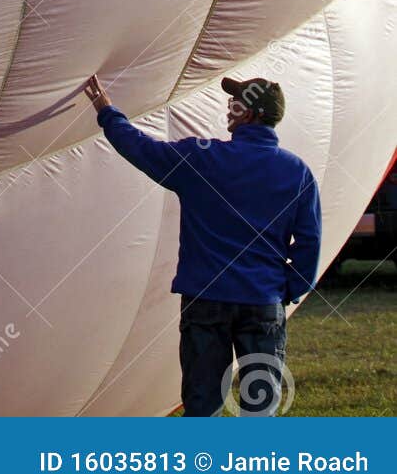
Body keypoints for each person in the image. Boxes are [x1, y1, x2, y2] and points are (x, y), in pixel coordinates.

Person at [83, 73, 321, 416]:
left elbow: (141, 149)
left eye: (236, 103)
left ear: (251, 115)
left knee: (202, 406)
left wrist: (108, 113)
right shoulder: (297, 172)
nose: (229, 108)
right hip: (262, 301)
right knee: (260, 408)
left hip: (206, 299)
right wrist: (288, 288)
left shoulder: (202, 158)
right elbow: (309, 241)